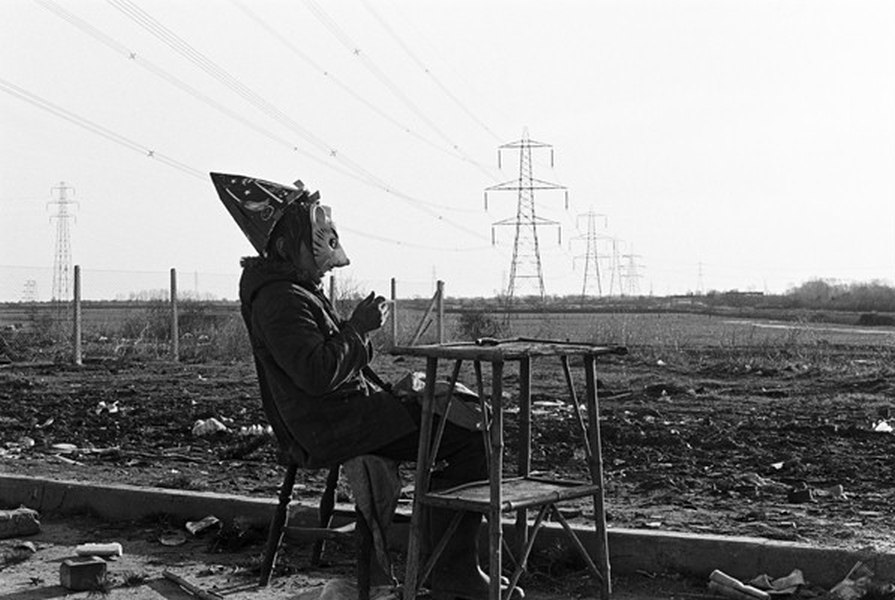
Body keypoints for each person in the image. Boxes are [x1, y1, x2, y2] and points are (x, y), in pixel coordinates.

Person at [211, 172, 510, 600]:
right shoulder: (281, 298)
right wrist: (358, 329)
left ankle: (448, 564)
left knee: (460, 414)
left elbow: (325, 361)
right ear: (287, 244)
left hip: (348, 414)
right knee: (465, 436)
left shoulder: (292, 291)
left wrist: (358, 339)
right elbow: (316, 373)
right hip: (333, 425)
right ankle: (450, 570)